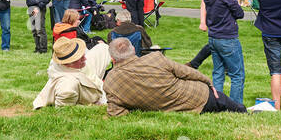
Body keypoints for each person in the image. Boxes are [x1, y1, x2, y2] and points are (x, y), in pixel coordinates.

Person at [103, 37, 245, 117]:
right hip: (198, 97)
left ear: (112, 58)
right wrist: (208, 82)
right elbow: (186, 71)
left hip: (189, 102)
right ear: (133, 49)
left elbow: (116, 112)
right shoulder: (155, 58)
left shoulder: (110, 82)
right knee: (238, 110)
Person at [200, 0, 245, 107]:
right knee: (237, 75)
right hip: (227, 37)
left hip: (214, 36)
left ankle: (217, 104)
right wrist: (237, 0)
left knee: (218, 73)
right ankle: (235, 106)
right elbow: (239, 13)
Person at [32, 35, 113, 109]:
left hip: (84, 77)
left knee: (103, 48)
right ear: (68, 63)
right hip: (88, 95)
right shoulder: (68, 86)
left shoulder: (64, 62)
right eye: (80, 58)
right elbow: (66, 111)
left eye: (83, 55)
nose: (84, 59)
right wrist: (95, 105)